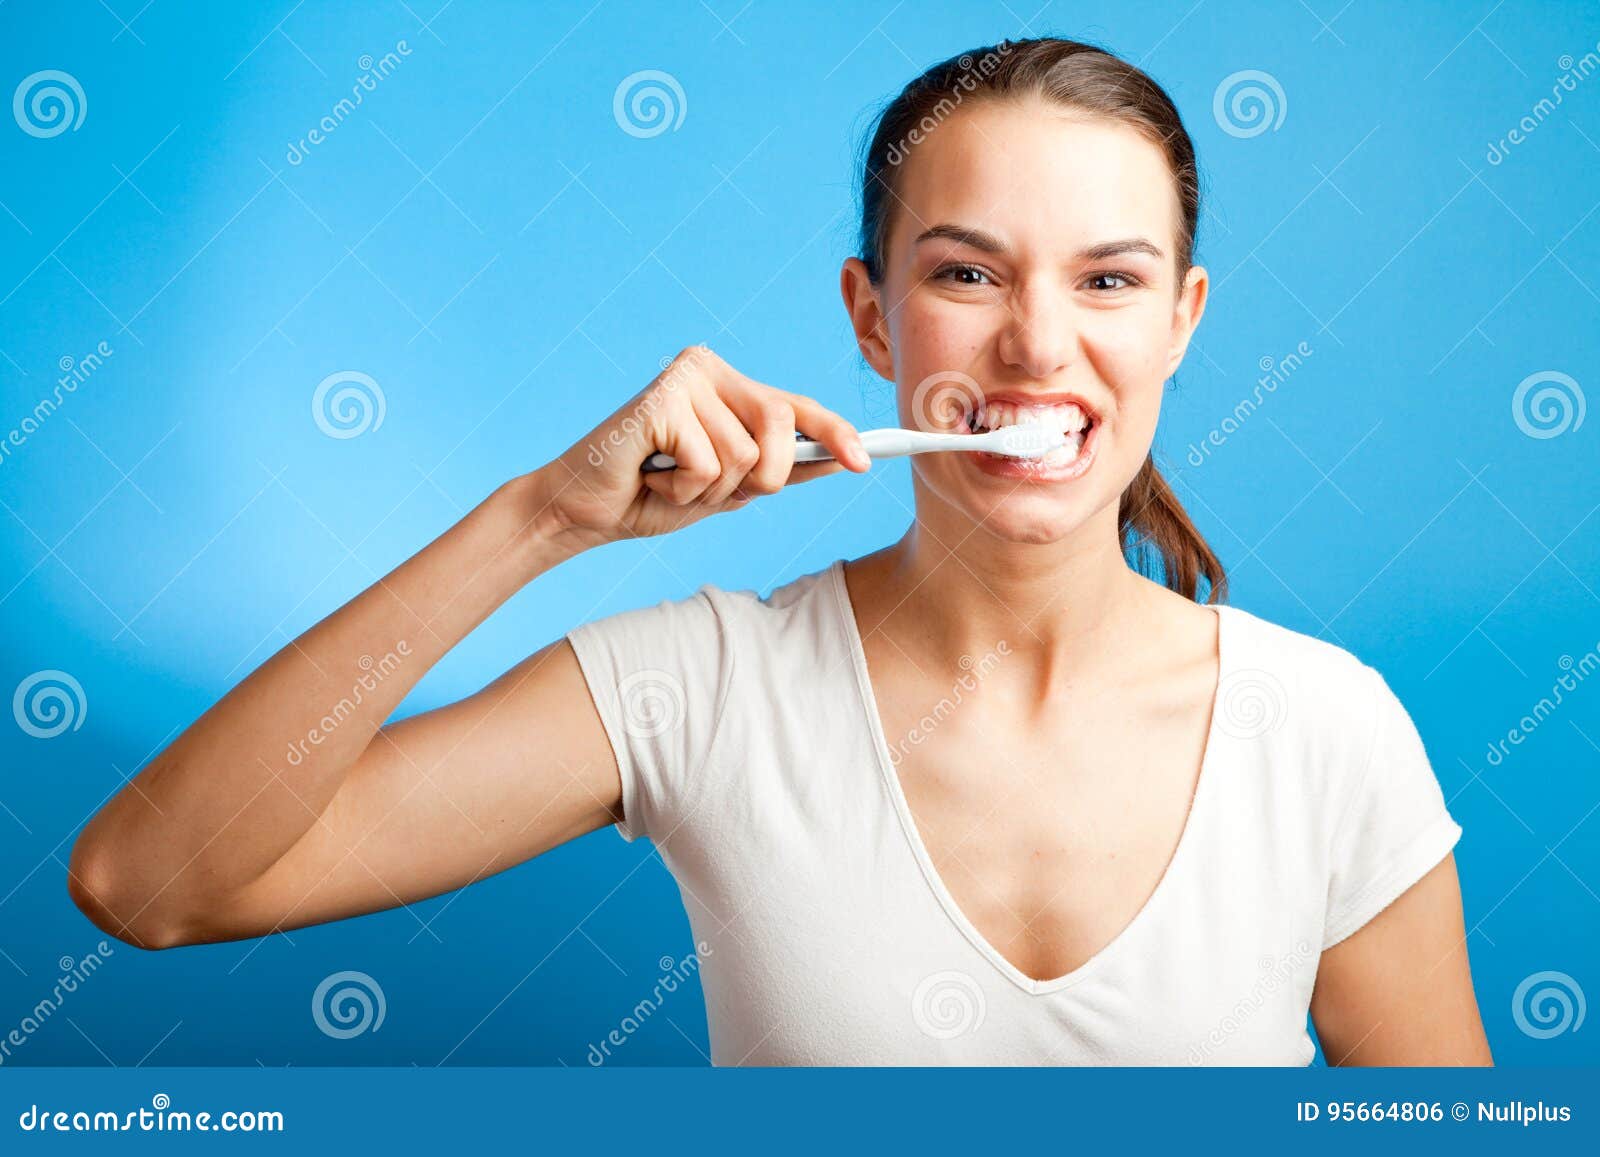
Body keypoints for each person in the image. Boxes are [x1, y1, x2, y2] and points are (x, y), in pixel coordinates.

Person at [67, 36, 1491, 1066]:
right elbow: (152, 883)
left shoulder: (1324, 730)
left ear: (1179, 320)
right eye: (966, 273)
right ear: (873, 320)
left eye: (1107, 280)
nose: (1039, 345)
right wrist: (541, 518)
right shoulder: (704, 685)